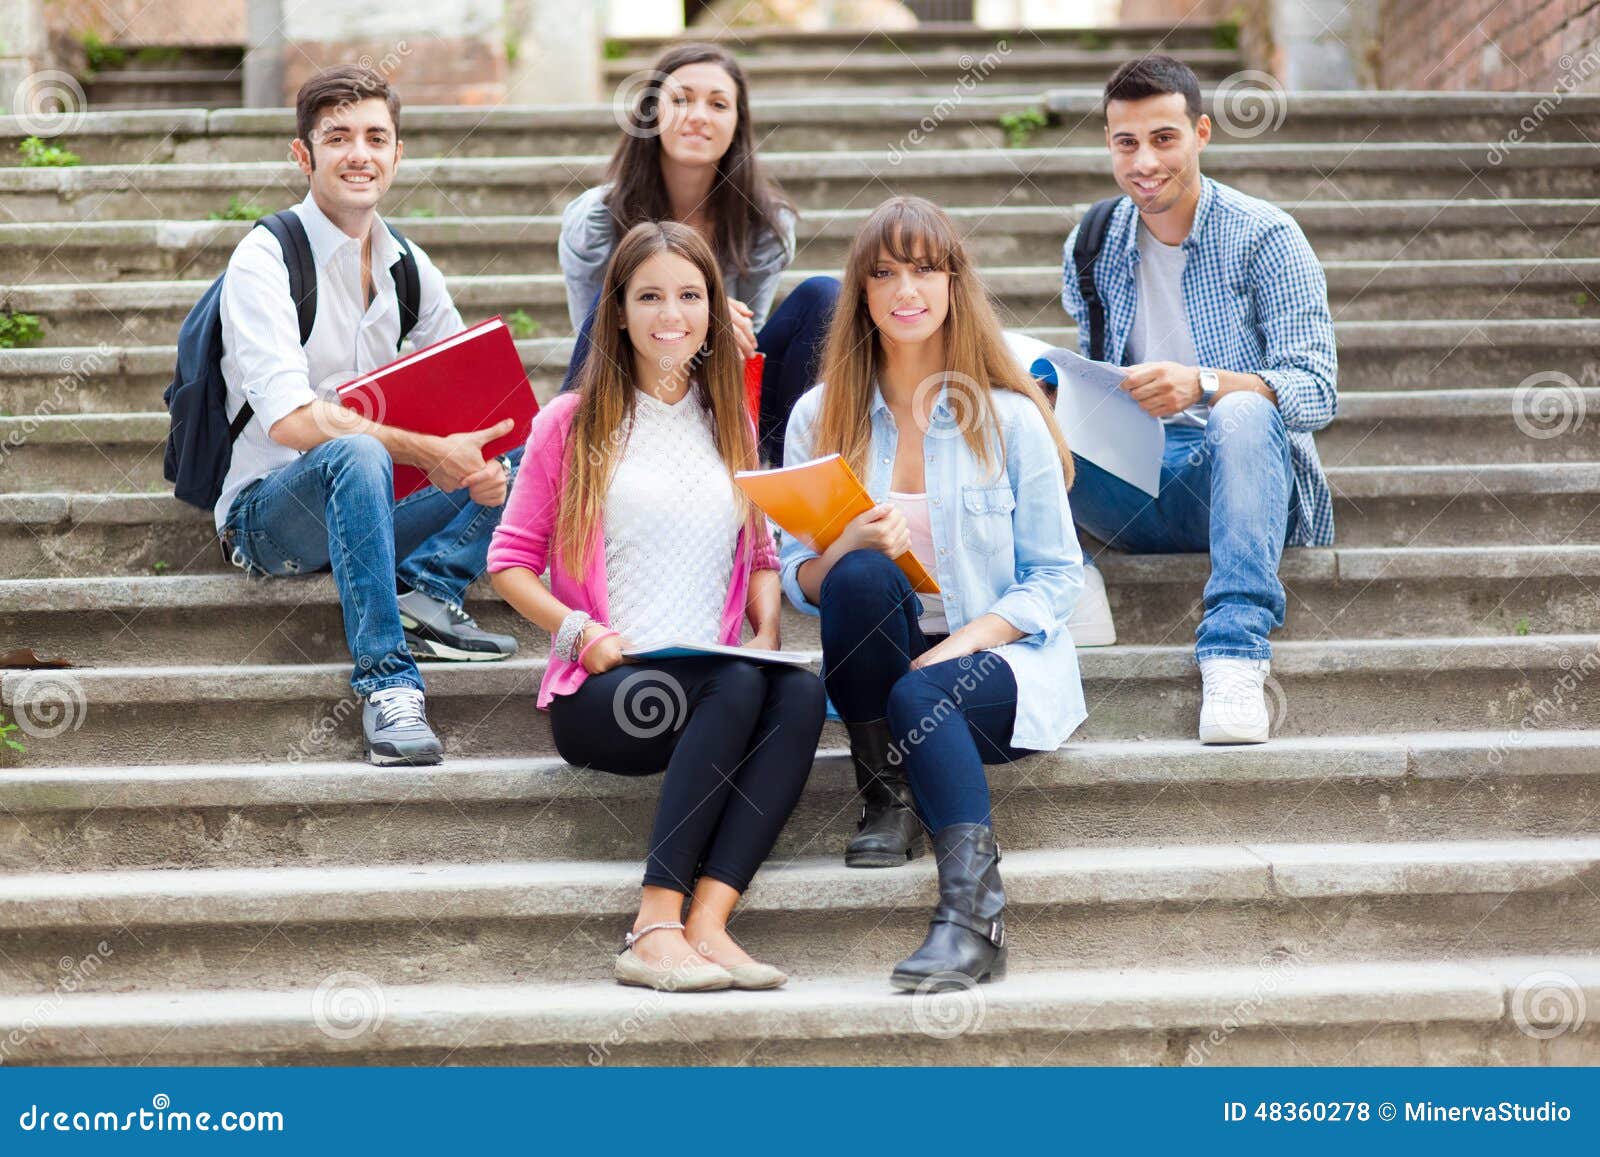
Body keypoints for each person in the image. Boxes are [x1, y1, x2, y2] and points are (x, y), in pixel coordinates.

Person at [490, 221, 825, 994]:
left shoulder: (730, 421)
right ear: (617, 311)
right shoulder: (570, 424)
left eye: (689, 294)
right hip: (609, 689)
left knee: (802, 690)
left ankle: (708, 920)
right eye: (649, 296)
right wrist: (580, 633)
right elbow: (507, 562)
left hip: (711, 678)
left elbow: (761, 542)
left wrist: (767, 611)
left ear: (714, 310)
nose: (670, 313)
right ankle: (652, 925)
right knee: (734, 685)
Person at [780, 195, 1085, 991]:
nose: (904, 288)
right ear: (863, 291)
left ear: (953, 283)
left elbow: (1058, 577)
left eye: (924, 268)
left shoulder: (1010, 418)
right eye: (884, 272)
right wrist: (846, 543)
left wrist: (960, 644)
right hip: (877, 649)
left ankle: (973, 920)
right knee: (860, 572)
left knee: (927, 695)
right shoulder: (819, 416)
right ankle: (885, 795)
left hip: (996, 657)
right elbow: (796, 579)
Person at [215, 65, 520, 767]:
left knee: (522, 444)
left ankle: (427, 588)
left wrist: (477, 459)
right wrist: (425, 451)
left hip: (373, 504)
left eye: (376, 137)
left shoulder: (408, 265)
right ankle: (388, 685)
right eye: (338, 137)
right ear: (304, 154)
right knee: (357, 453)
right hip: (269, 515)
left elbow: (478, 399)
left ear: (396, 153)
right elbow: (292, 423)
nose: (360, 153)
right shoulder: (265, 258)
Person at [1059, 54, 1338, 745]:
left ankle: (1235, 652)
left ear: (1202, 134)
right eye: (1126, 143)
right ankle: (1066, 586)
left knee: (1242, 409)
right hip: (1144, 483)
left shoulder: (1266, 238)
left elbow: (1316, 390)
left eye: (1164, 138)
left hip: (1250, 483)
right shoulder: (1092, 244)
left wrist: (1204, 384)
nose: (1144, 161)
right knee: (1021, 408)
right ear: (1109, 145)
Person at [558, 41, 839, 463]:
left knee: (822, 297)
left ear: (737, 123)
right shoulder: (595, 219)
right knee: (609, 300)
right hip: (627, 397)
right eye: (681, 100)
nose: (698, 116)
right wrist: (701, 309)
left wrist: (716, 322)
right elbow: (594, 338)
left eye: (718, 104)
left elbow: (745, 342)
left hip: (719, 394)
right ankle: (576, 474)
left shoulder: (765, 223)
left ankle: (783, 488)